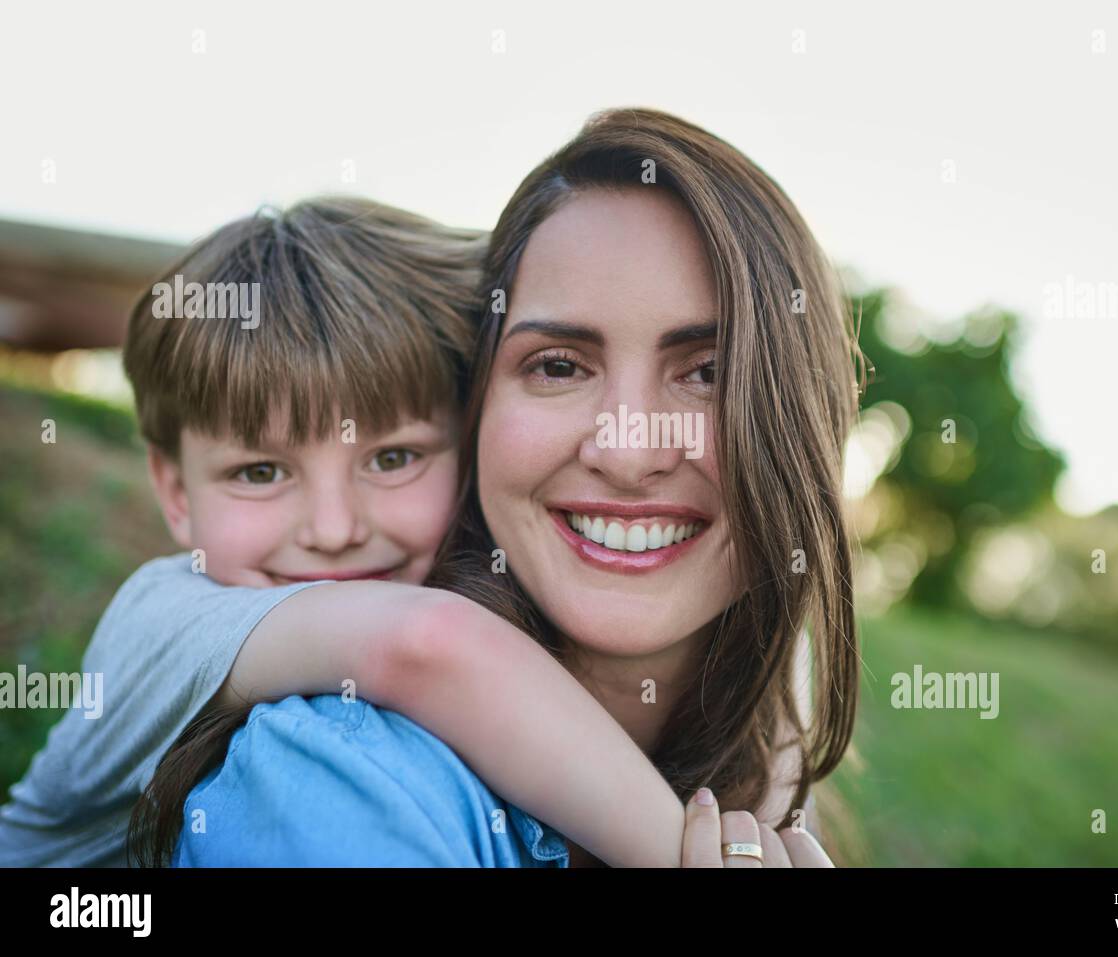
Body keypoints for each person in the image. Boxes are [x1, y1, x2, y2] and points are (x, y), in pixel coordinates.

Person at [160, 108, 863, 867]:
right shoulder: (346, 776)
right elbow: (431, 649)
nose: (628, 454)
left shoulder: (755, 742)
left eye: (710, 372)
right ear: (475, 410)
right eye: (558, 365)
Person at [1, 197, 698, 869]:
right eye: (261, 471)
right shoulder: (161, 621)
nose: (334, 530)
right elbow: (427, 645)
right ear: (176, 492)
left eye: (393, 459)